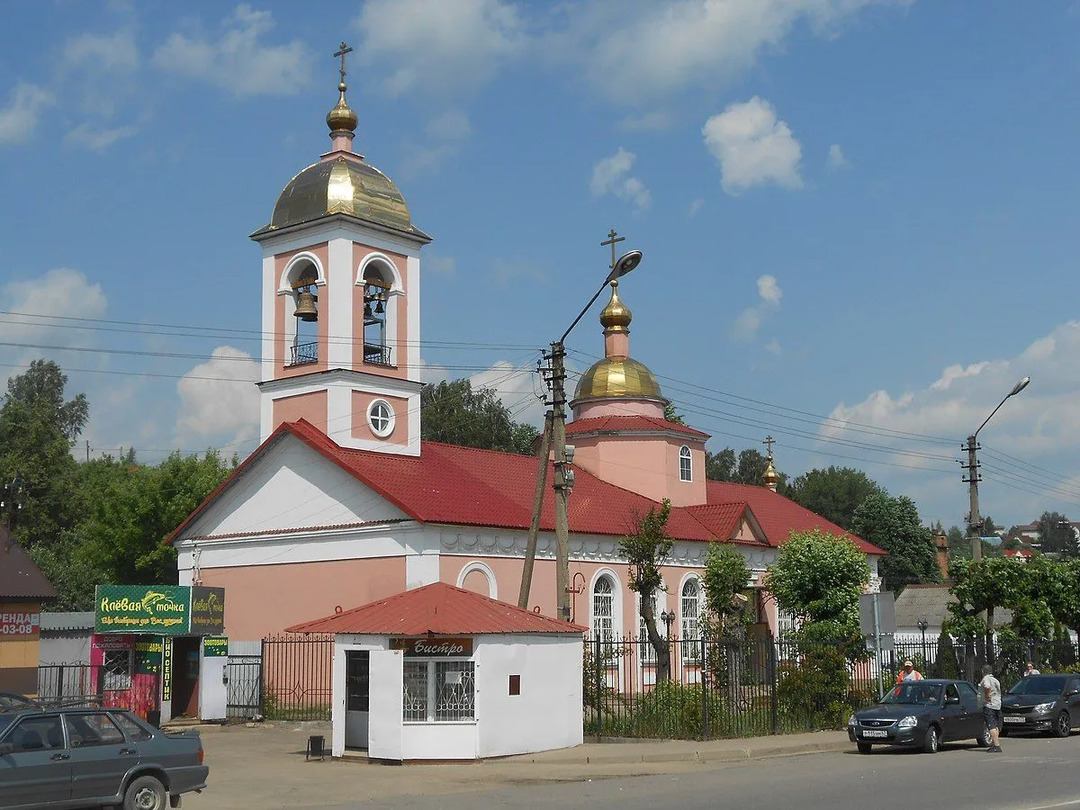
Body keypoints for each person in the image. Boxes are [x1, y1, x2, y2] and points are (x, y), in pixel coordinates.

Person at [979, 664, 1003, 753]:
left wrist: (987, 696)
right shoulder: (995, 680)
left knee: (991, 725)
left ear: (983, 671)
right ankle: (995, 743)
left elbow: (987, 687)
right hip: (997, 704)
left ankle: (996, 745)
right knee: (995, 725)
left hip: (989, 705)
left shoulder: (986, 679)